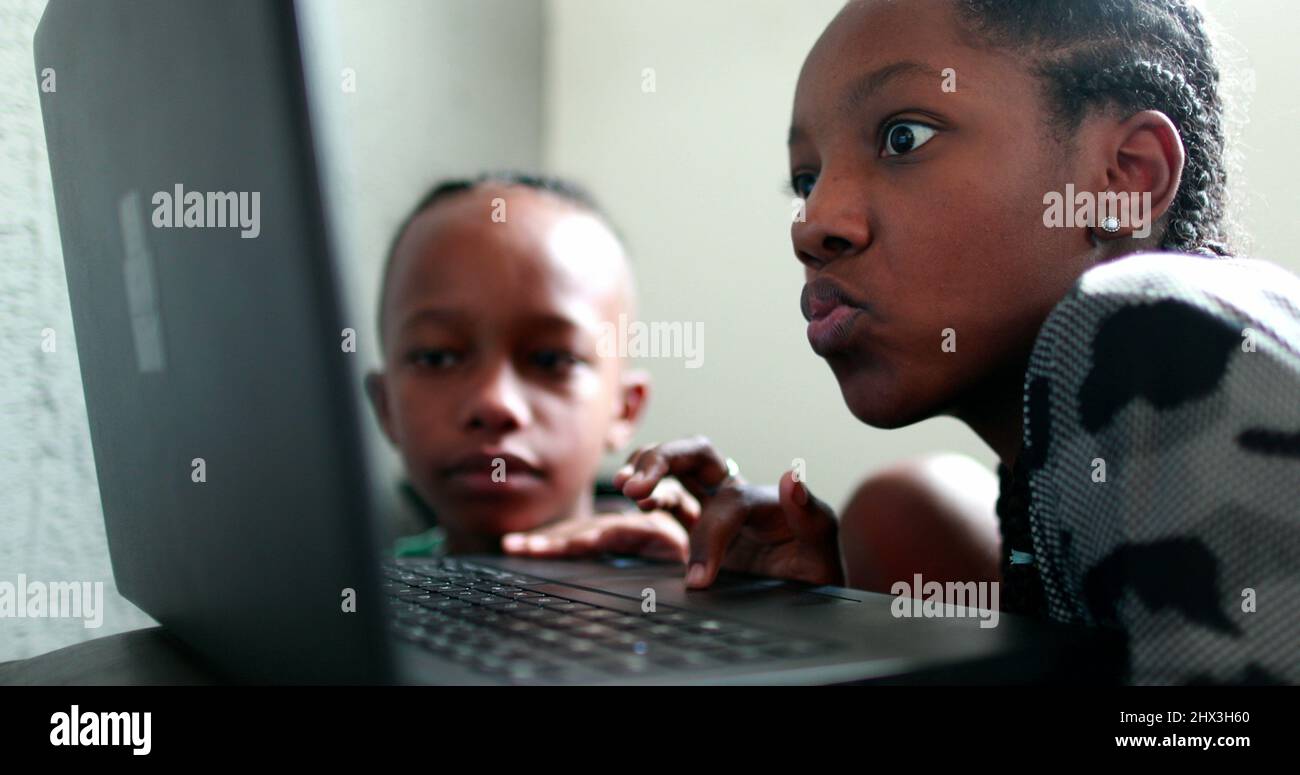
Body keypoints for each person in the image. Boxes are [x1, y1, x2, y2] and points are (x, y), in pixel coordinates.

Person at [606, 0, 1300, 684]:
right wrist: (820, 624)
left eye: (904, 137)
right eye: (806, 179)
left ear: (1124, 178)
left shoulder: (1164, 326)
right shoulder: (1064, 460)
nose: (811, 225)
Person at [365, 174, 695, 561]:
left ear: (625, 408)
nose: (494, 404)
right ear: (385, 406)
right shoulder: (358, 591)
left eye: (551, 360)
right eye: (438, 357)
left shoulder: (677, 574)